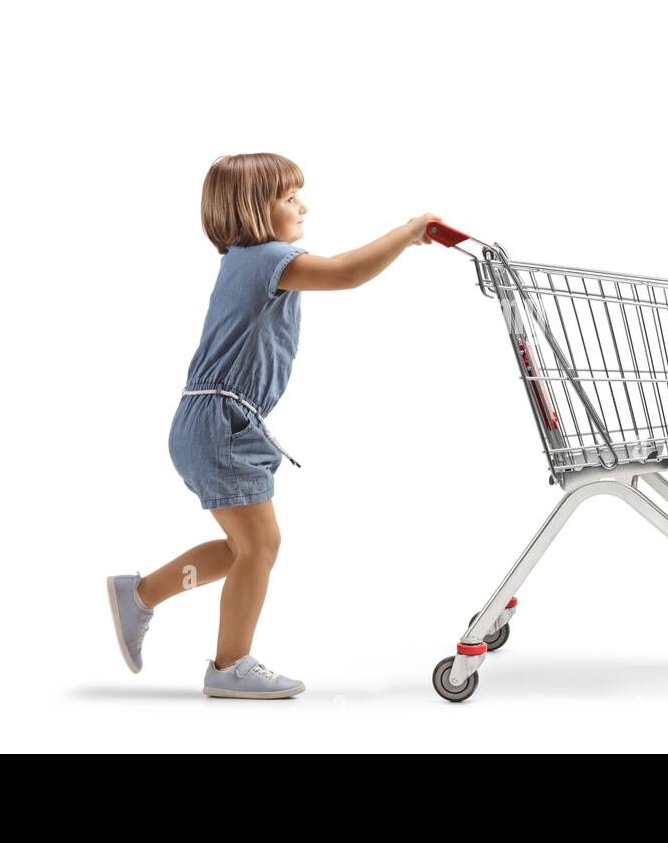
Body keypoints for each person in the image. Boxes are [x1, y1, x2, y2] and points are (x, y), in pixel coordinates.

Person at [106, 152, 439, 698]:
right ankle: (229, 665)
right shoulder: (270, 258)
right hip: (221, 423)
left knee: (246, 547)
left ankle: (139, 595)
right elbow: (346, 273)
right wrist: (407, 233)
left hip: (213, 420)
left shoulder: (245, 259)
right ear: (254, 211)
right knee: (260, 547)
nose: (303, 205)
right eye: (290, 198)